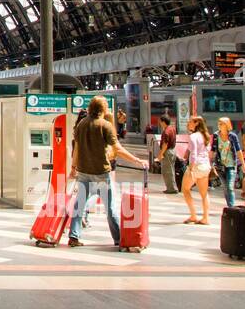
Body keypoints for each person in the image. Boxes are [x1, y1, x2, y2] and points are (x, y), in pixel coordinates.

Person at [69, 96, 147, 247]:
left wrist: (73, 168)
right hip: (101, 172)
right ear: (103, 109)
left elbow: (77, 149)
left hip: (83, 170)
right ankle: (118, 238)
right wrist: (136, 160)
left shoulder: (81, 124)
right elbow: (117, 149)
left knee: (79, 205)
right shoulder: (105, 125)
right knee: (110, 207)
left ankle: (74, 236)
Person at [181, 115, 213, 225]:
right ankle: (205, 217)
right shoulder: (206, 136)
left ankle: (193, 215)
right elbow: (207, 151)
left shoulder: (193, 136)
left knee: (185, 189)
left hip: (196, 166)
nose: (188, 123)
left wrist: (191, 167)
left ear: (196, 123)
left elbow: (193, 153)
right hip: (205, 166)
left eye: (190, 122)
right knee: (204, 194)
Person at [212, 116, 241, 209]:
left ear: (227, 125)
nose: (219, 126)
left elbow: (238, 150)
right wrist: (211, 163)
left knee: (230, 186)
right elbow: (213, 150)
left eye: (221, 124)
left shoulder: (232, 136)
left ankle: (231, 207)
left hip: (231, 165)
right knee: (225, 187)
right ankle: (229, 206)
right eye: (219, 124)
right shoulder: (216, 136)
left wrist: (243, 164)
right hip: (220, 165)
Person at [157, 115, 178, 193]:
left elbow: (165, 144)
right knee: (171, 169)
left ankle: (171, 189)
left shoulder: (166, 131)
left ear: (163, 122)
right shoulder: (172, 128)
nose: (160, 123)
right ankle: (172, 187)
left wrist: (160, 154)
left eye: (160, 122)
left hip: (168, 152)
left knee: (167, 171)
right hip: (173, 150)